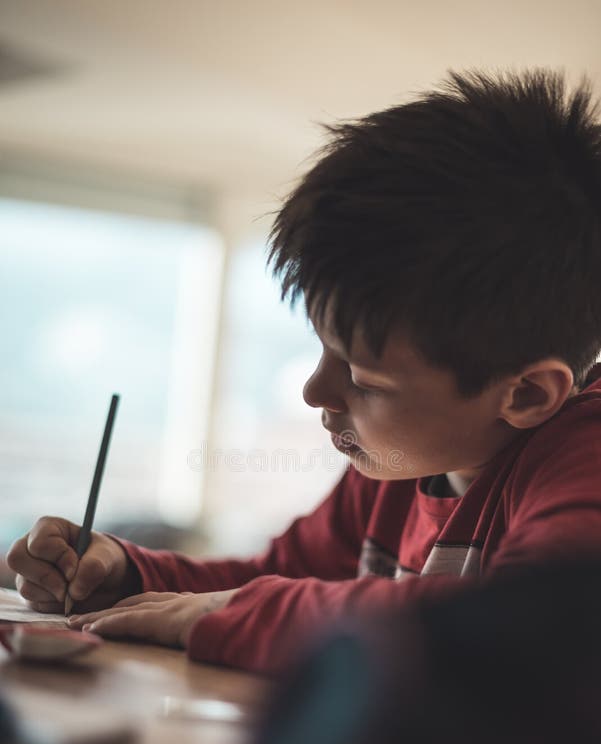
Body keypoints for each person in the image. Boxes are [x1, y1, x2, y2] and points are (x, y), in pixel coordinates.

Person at [7, 68, 601, 675]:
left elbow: (537, 621)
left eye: (366, 379)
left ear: (526, 393)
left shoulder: (584, 455)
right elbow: (270, 581)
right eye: (323, 348)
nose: (314, 390)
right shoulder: (396, 462)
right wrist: (128, 574)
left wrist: (248, 613)